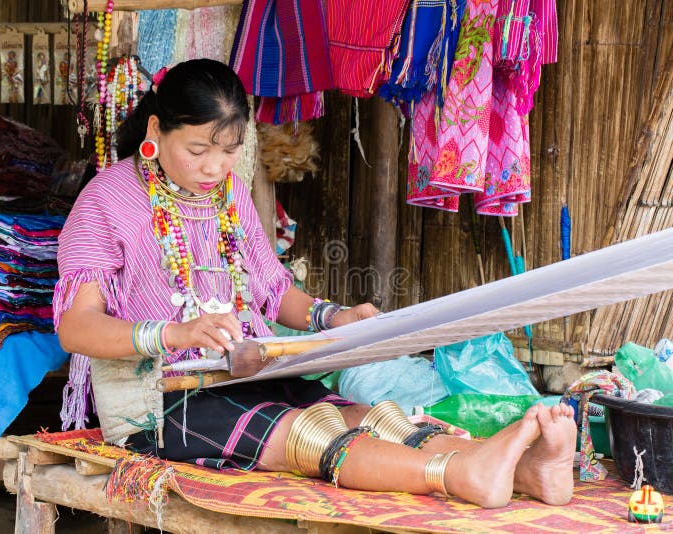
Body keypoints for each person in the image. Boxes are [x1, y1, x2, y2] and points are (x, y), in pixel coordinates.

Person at [55, 58, 577, 509]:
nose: (214, 167)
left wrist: (334, 318)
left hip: (241, 376)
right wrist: (175, 334)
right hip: (156, 403)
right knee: (309, 434)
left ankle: (528, 472)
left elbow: (272, 290)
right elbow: (76, 327)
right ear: (156, 128)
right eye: (197, 150)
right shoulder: (107, 200)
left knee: (364, 417)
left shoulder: (227, 194)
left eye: (229, 150)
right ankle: (462, 474)